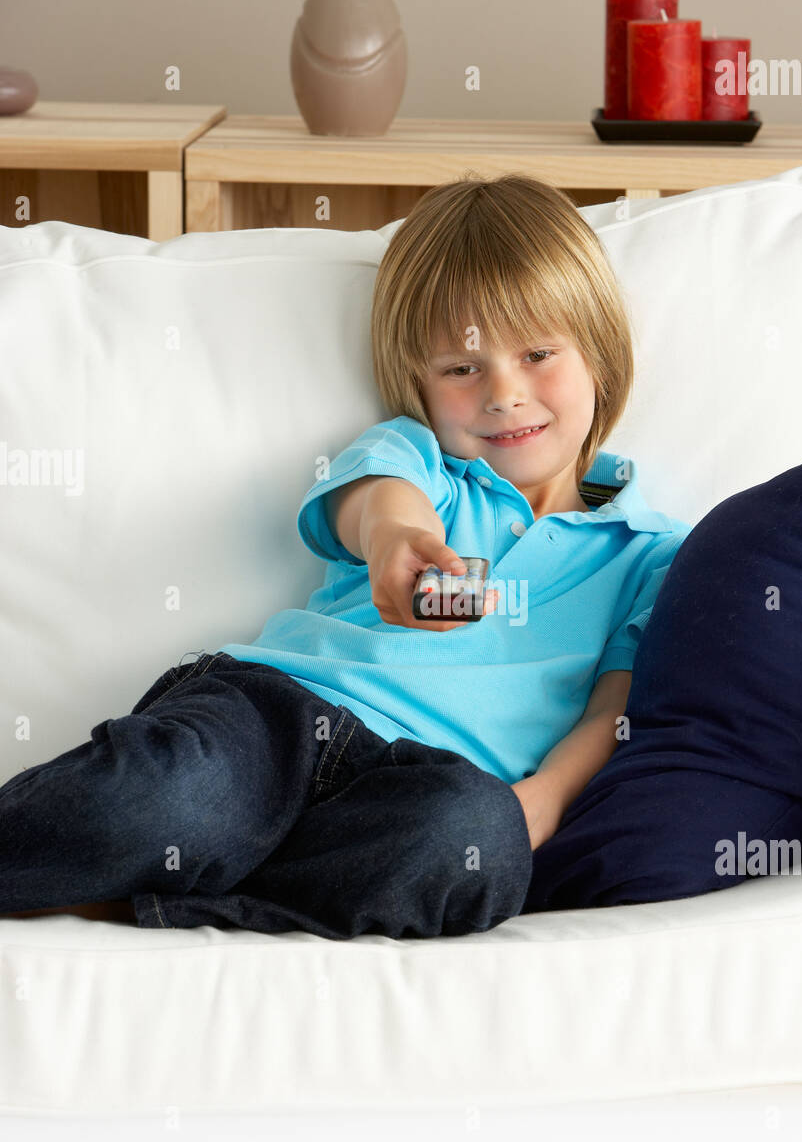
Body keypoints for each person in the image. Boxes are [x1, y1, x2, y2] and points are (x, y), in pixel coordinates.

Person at [0, 174, 690, 939]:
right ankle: (137, 866)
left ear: (597, 354)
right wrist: (400, 542)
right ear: (419, 385)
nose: (503, 393)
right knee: (159, 801)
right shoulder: (423, 459)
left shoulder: (653, 554)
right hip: (273, 722)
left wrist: (544, 800)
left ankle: (153, 895)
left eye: (536, 353)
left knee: (473, 842)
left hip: (422, 788)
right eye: (461, 368)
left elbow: (612, 711)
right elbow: (377, 502)